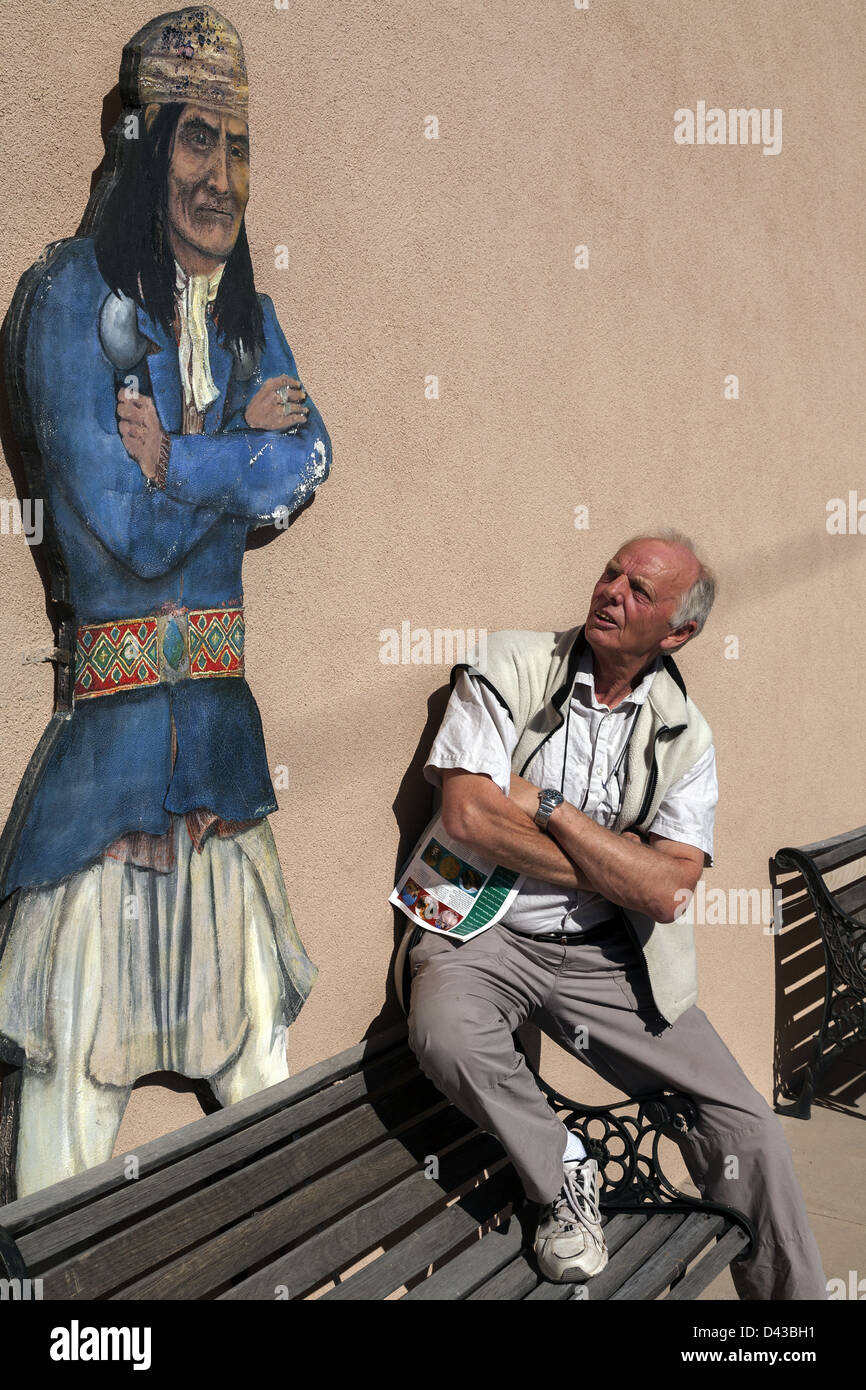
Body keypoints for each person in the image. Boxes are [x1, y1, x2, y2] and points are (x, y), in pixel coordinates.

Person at [0, 7, 331, 1197]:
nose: (223, 180)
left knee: (258, 1061)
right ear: (143, 142)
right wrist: (233, 447)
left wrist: (186, 454)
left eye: (240, 149)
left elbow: (312, 461)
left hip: (223, 763)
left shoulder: (241, 306)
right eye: (200, 143)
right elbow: (124, 542)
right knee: (70, 1094)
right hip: (110, 768)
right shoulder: (65, 295)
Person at [407, 531, 827, 1299]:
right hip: (482, 932)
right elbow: (468, 817)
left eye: (639, 590)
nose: (611, 592)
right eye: (612, 573)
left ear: (677, 632)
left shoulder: (686, 734)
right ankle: (564, 1171)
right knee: (444, 1032)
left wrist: (553, 810)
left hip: (604, 957)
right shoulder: (509, 662)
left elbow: (669, 892)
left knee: (750, 1130)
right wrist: (619, 866)